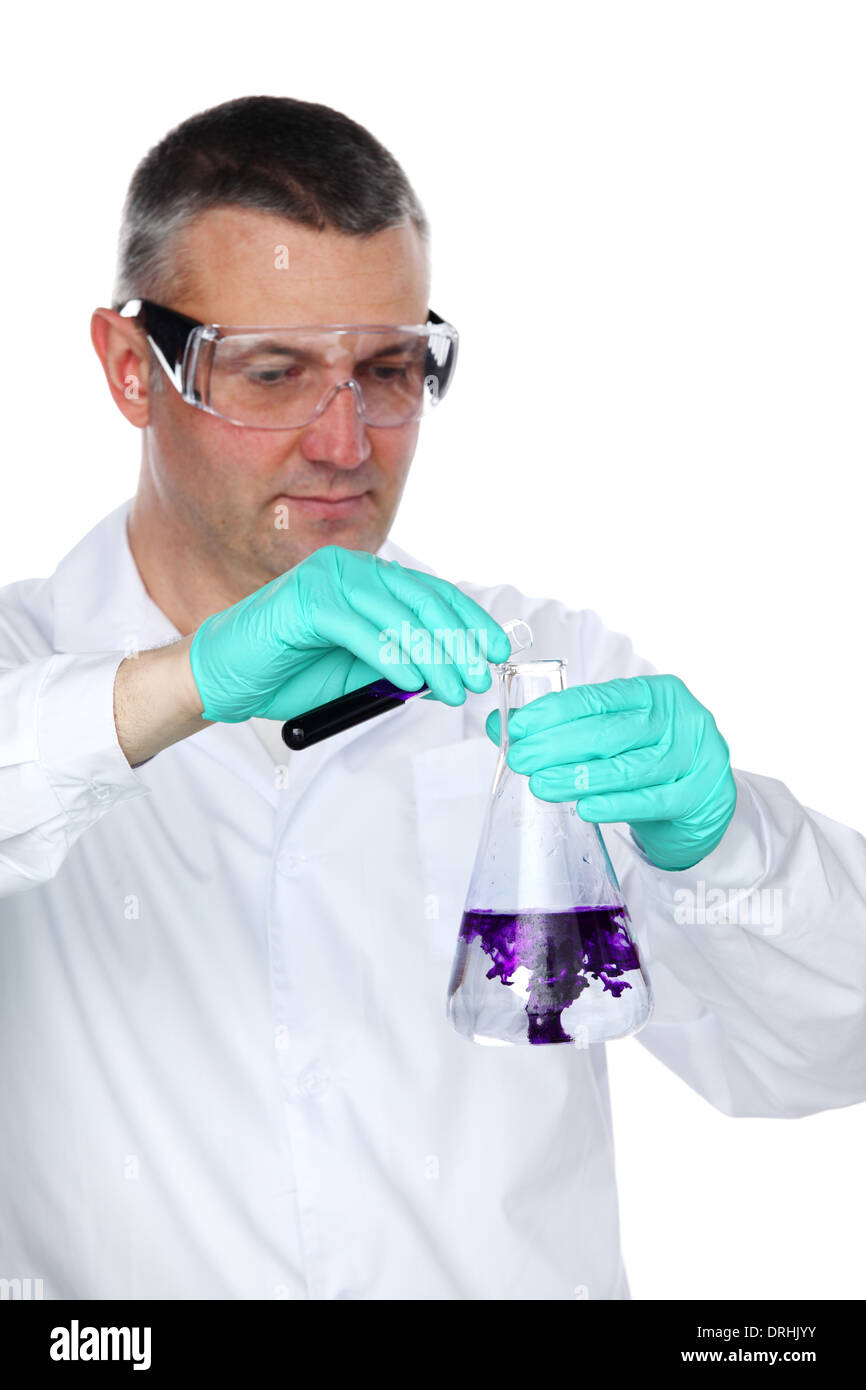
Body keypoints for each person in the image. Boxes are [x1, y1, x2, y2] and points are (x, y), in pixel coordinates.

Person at [1, 95, 864, 1302]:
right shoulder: (22, 654)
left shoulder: (539, 665)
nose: (346, 442)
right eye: (273, 372)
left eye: (390, 369)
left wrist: (723, 843)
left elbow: (830, 1049)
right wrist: (184, 685)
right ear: (129, 370)